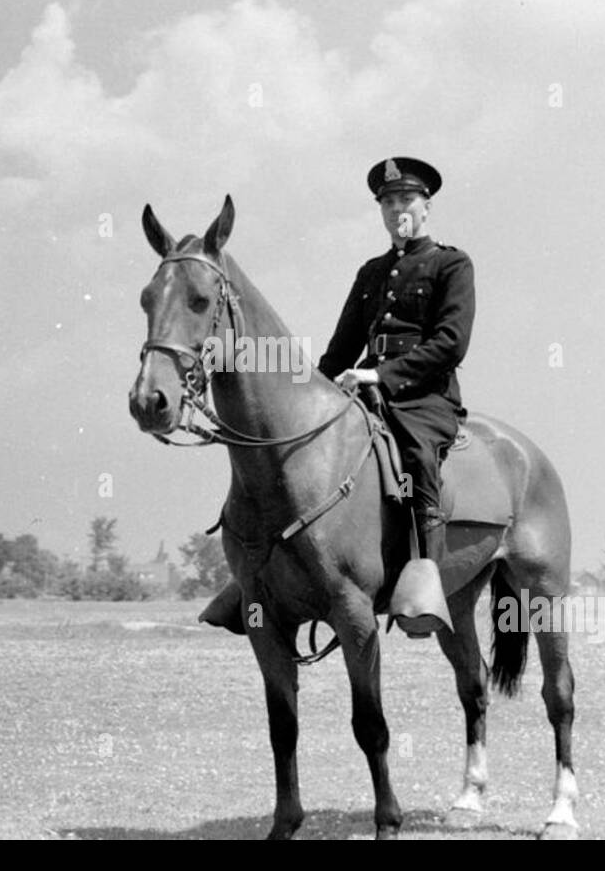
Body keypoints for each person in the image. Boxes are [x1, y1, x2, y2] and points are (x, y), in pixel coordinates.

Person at [199, 156, 474, 635]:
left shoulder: (452, 264)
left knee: (416, 457)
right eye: (388, 202)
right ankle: (255, 576)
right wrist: (308, 397)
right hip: (362, 391)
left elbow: (450, 343)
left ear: (426, 206)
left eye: (406, 199)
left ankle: (425, 577)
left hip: (423, 398)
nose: (396, 209)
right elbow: (339, 350)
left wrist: (380, 377)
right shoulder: (370, 273)